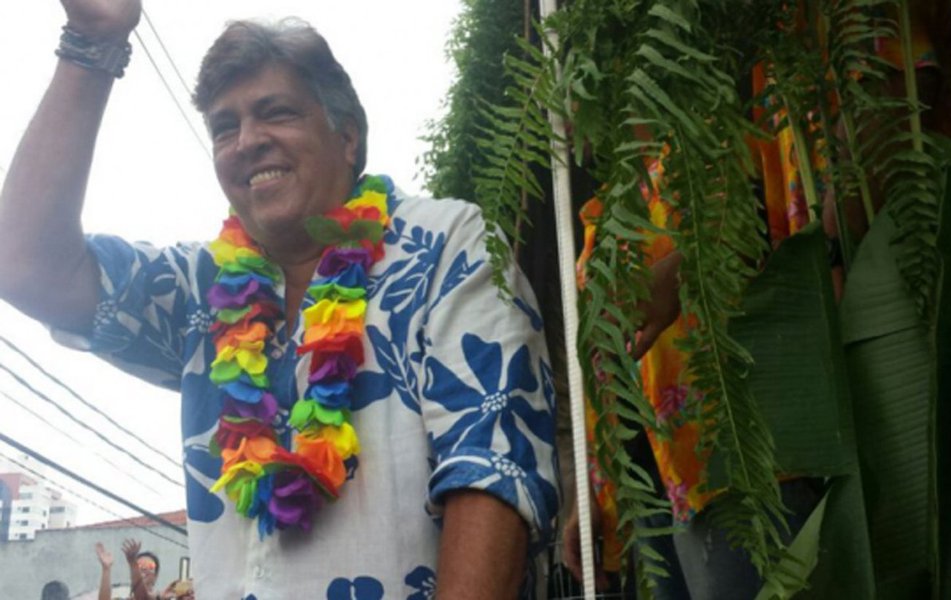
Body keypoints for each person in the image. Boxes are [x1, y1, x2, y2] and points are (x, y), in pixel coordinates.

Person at [0, 1, 558, 597]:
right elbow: (26, 264)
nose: (247, 141)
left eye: (276, 113)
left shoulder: (443, 243)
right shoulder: (202, 286)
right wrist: (93, 40)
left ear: (346, 137)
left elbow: (490, 474)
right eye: (224, 127)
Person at [96, 540, 160, 600]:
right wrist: (106, 569)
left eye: (150, 566)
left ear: (156, 576)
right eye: (139, 565)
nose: (144, 569)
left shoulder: (162, 597)